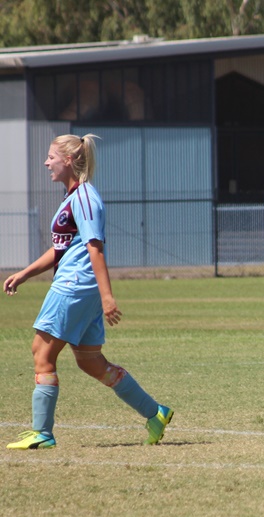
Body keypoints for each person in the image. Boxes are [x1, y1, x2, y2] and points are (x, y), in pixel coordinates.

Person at [4, 134, 174, 449]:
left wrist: (108, 297)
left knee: (42, 352)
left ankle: (42, 433)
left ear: (68, 160)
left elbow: (95, 247)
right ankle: (155, 413)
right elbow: (60, 250)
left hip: (75, 286)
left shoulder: (84, 197)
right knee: (91, 362)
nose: (46, 163)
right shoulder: (73, 198)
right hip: (82, 288)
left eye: (51, 156)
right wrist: (25, 273)